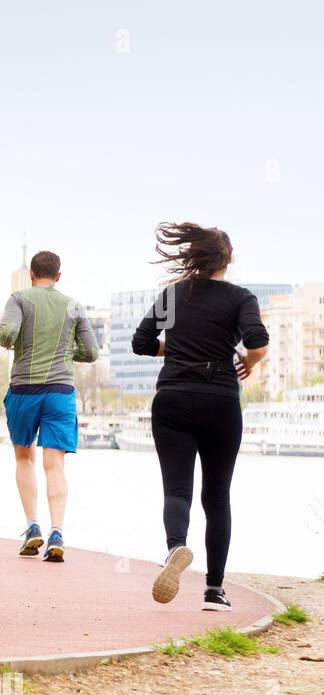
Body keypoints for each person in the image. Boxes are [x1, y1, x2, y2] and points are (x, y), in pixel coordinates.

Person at [131, 222, 269, 611]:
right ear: (227, 260)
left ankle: (176, 546)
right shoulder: (240, 297)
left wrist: (173, 352)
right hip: (220, 400)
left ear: (195, 257)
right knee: (217, 497)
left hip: (172, 399)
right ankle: (214, 591)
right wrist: (250, 361)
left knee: (177, 490)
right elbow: (257, 342)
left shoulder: (173, 295)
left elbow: (141, 342)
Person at [0, 250, 99, 562]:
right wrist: (68, 355)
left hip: (24, 390)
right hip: (59, 392)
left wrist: (14, 344)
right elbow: (92, 352)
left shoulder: (18, 299)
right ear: (58, 276)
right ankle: (57, 531)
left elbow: (5, 333)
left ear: (31, 274)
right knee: (54, 465)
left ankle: (32, 527)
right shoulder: (73, 305)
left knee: (24, 457)